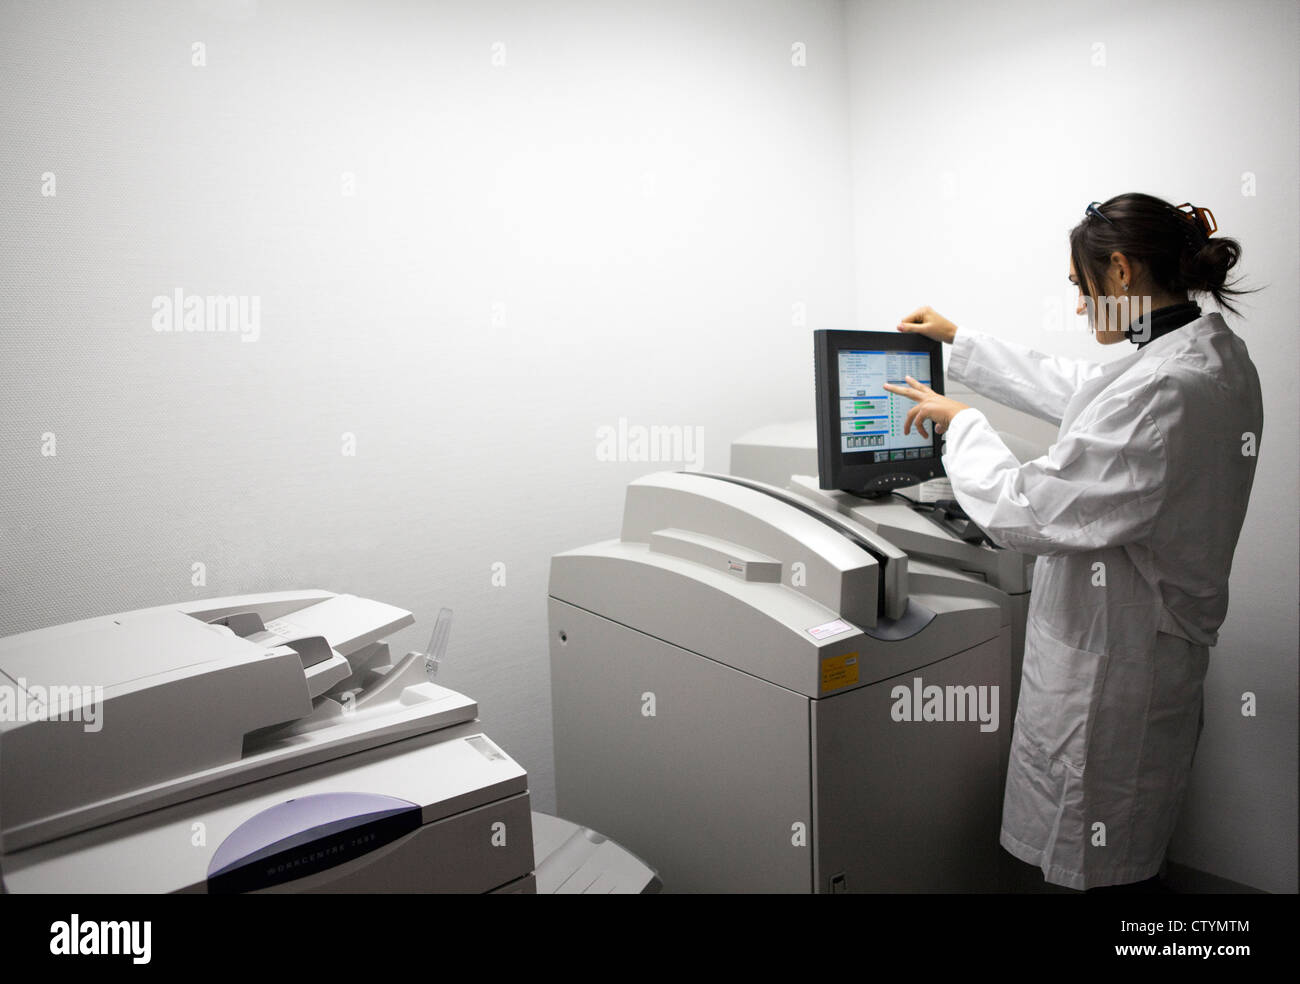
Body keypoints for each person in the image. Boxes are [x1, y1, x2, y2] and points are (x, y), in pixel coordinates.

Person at [880, 192, 1264, 891]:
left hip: (1112, 672)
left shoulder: (1167, 389)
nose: (1081, 307)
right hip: (1143, 653)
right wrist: (960, 343)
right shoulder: (1205, 354)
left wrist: (962, 424)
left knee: (1084, 864)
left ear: (1120, 272)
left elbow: (1023, 510)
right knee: (1109, 854)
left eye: (1079, 288)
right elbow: (1090, 393)